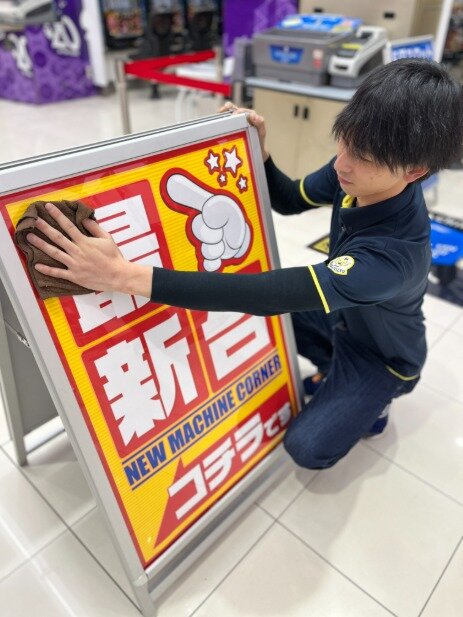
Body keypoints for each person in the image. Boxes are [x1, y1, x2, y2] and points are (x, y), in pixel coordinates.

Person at [26, 58, 463, 470]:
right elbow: (289, 199)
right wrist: (261, 151)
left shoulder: (393, 257)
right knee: (258, 316)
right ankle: (332, 367)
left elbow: (266, 293)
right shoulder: (361, 172)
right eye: (346, 140)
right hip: (344, 317)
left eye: (363, 157)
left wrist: (123, 276)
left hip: (380, 357)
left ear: (414, 171)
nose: (342, 163)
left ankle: (375, 400)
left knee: (307, 448)